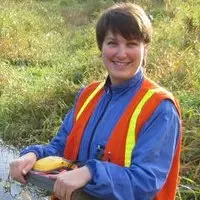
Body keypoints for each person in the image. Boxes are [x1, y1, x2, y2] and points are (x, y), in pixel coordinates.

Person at [9, 2, 182, 200]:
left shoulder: (160, 107)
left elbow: (146, 181)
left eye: (132, 44)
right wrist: (33, 155)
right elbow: (60, 147)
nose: (121, 53)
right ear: (102, 48)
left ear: (145, 50)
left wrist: (91, 172)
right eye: (112, 43)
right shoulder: (88, 94)